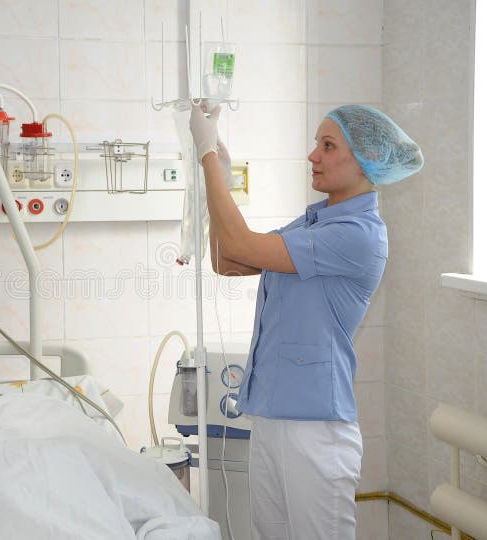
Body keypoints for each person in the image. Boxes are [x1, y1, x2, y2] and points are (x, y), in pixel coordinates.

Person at [189, 103, 423, 539]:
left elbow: (239, 242)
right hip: (269, 419)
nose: (313, 155)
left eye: (328, 145)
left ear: (365, 161)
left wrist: (208, 159)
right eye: (317, 143)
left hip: (316, 432)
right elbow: (226, 257)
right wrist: (215, 176)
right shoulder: (314, 222)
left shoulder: (358, 235)